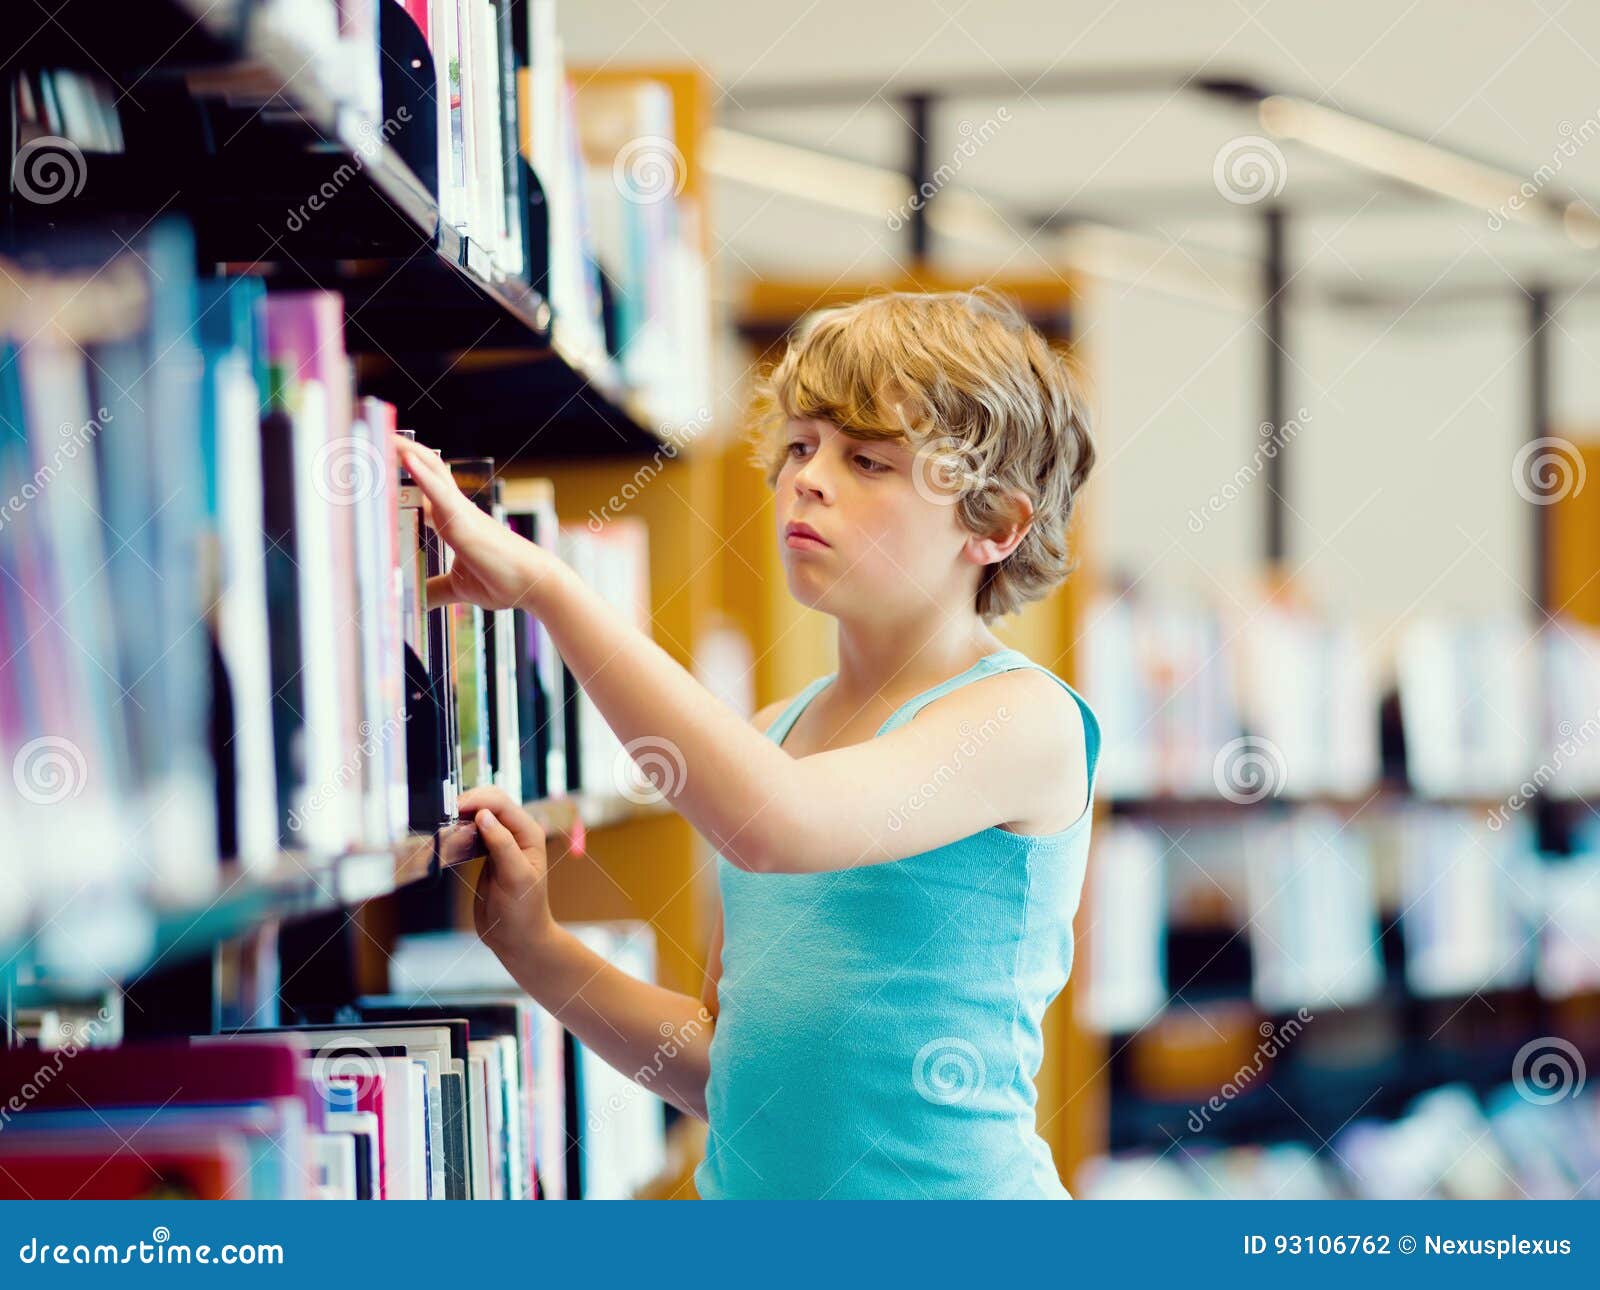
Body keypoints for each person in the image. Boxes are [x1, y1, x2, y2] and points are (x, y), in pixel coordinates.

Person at [393, 285, 1102, 1199]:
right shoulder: (776, 734)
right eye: (801, 445)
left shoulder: (1021, 720)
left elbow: (777, 824)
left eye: (870, 461)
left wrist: (549, 590)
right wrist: (535, 946)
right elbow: (735, 1073)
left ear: (996, 524)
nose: (807, 477)